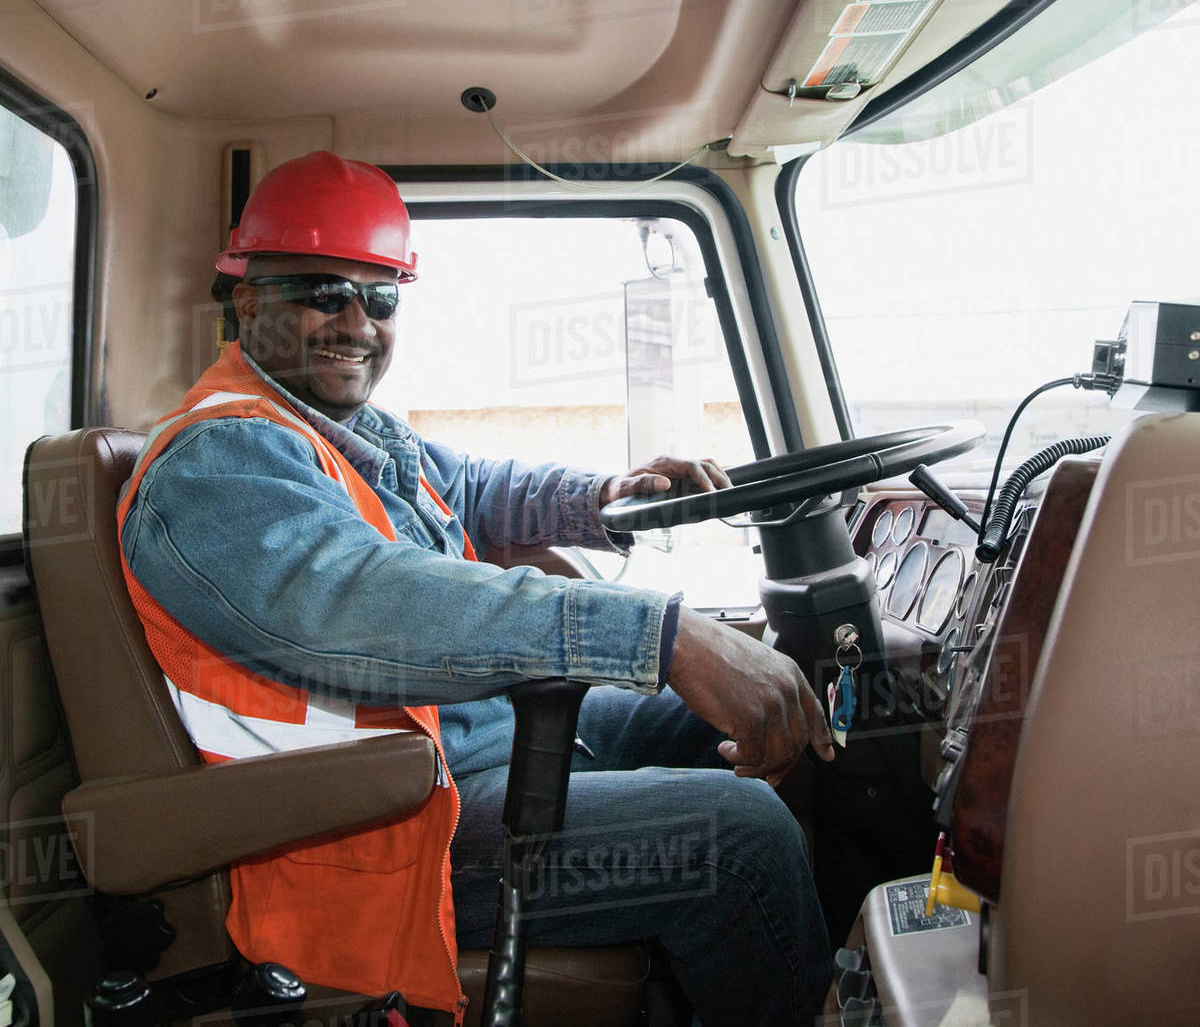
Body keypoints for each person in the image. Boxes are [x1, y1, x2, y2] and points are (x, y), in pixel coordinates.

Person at [118, 151, 835, 1026]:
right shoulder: (218, 462)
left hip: (476, 745)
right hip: (376, 822)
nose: (357, 321)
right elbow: (372, 602)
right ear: (249, 302)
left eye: (381, 297)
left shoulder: (344, 430)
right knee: (740, 838)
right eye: (323, 292)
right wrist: (659, 634)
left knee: (767, 701)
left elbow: (478, 487)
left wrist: (607, 496)